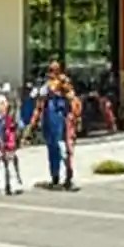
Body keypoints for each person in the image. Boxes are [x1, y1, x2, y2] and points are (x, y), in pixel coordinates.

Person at [28, 60, 79, 191]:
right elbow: (39, 105)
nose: (52, 73)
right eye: (50, 70)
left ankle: (68, 175)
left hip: (60, 119)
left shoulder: (64, 83)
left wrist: (74, 117)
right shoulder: (45, 86)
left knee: (62, 147)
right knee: (52, 149)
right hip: (48, 119)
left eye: (55, 70)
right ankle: (55, 176)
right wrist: (33, 123)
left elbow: (72, 99)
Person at [0, 87, 23, 195]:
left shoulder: (7, 120)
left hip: (7, 145)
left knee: (8, 166)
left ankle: (10, 185)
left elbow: (10, 134)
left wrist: (9, 145)